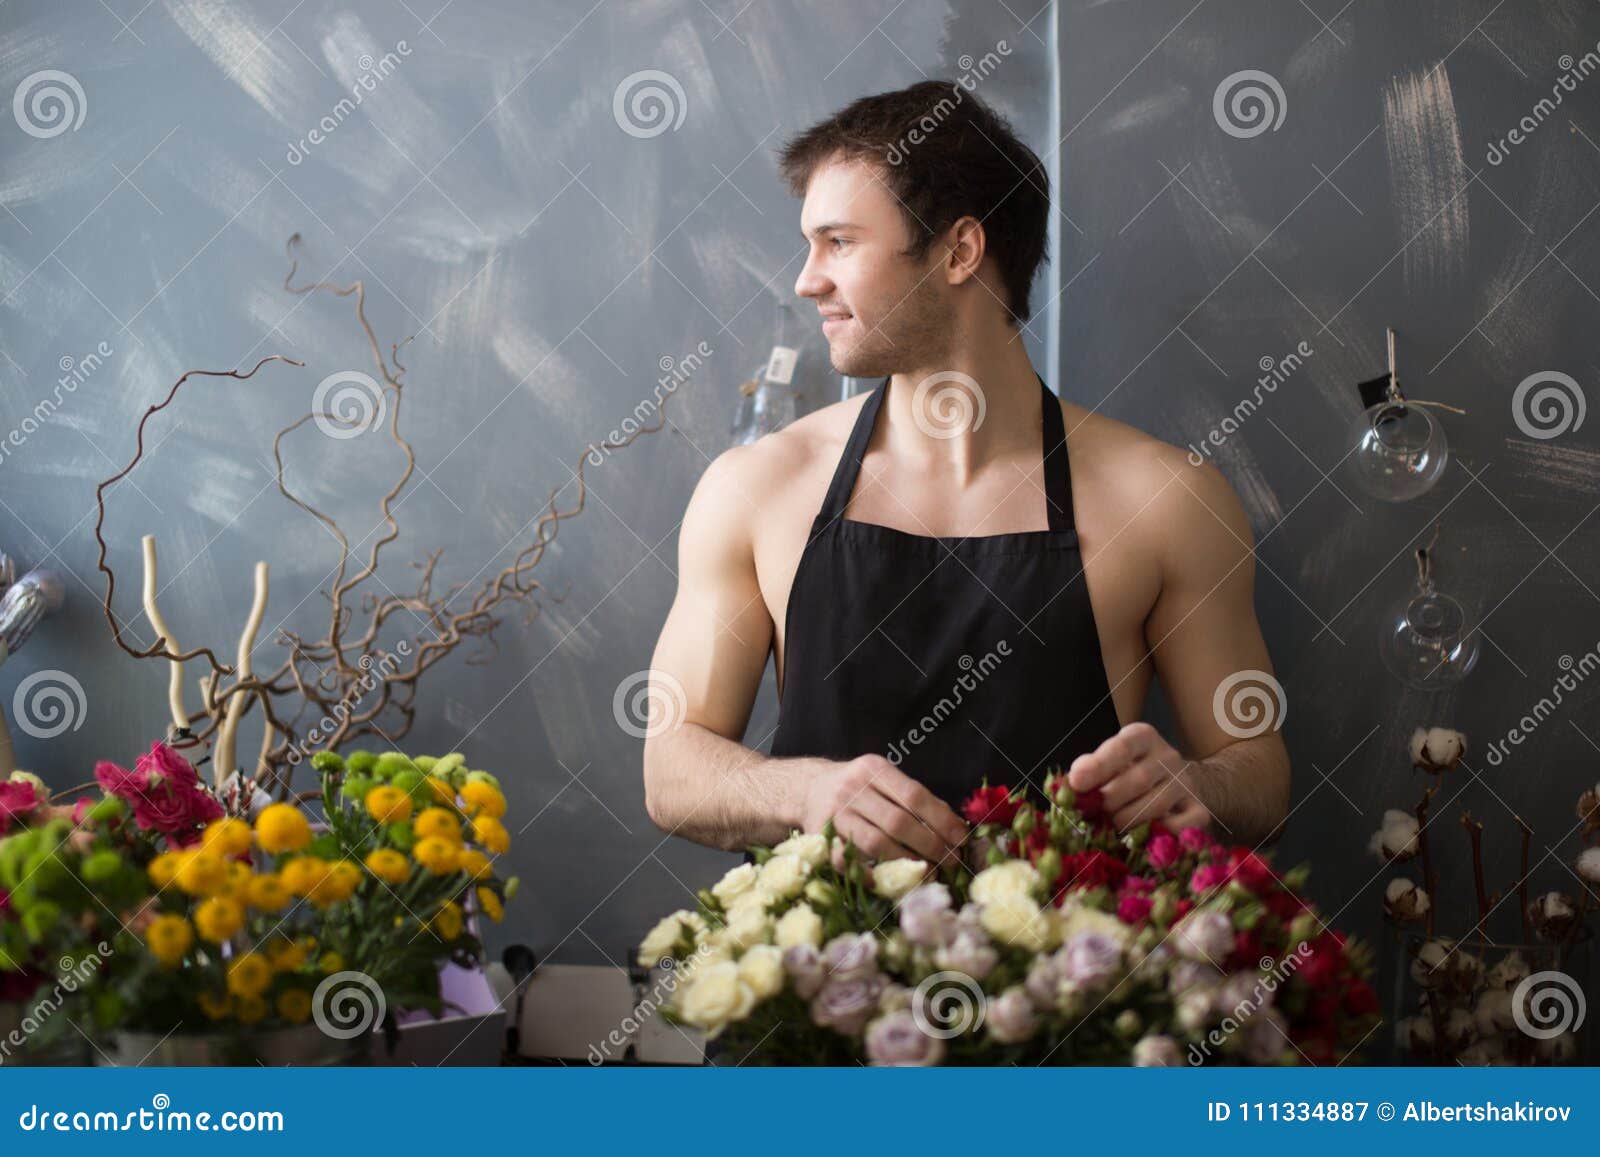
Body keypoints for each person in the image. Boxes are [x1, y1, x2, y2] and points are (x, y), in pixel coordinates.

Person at [642, 80, 1289, 875]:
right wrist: (801, 793)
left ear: (959, 251)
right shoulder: (755, 487)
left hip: (1076, 992)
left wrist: (1195, 785)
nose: (806, 279)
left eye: (838, 242)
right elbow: (671, 767)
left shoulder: (1167, 500)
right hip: (822, 990)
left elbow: (1260, 773)